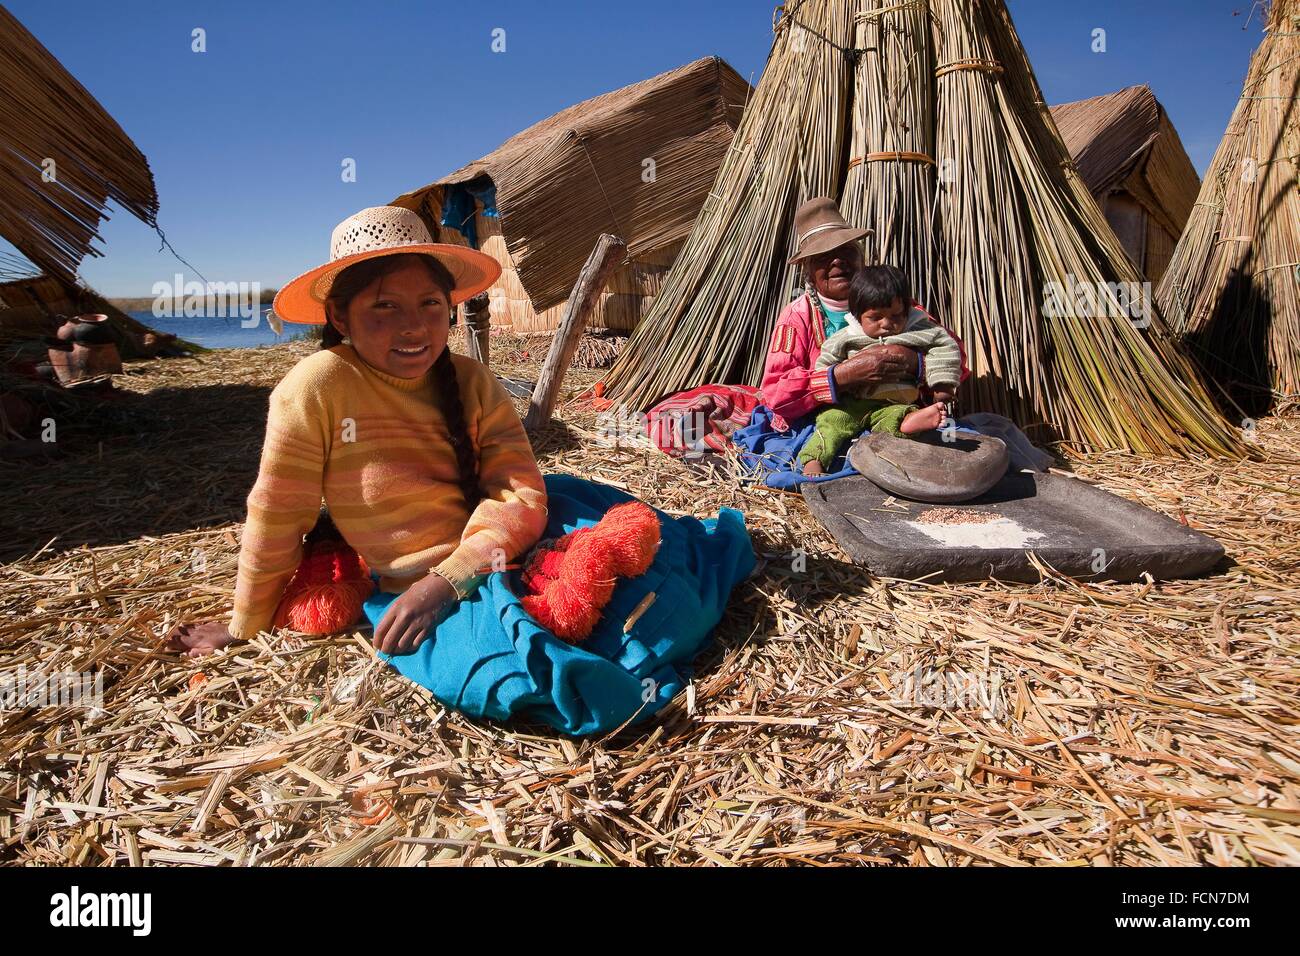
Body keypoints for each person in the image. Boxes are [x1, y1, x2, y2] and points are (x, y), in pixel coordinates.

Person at [167, 205, 548, 657]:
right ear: (340, 317)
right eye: (384, 306)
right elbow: (279, 514)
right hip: (412, 593)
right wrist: (245, 624)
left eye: (430, 303)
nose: (413, 326)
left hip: (492, 558)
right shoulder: (316, 387)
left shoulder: (474, 381)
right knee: (528, 670)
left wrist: (445, 584)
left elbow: (520, 494)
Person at [759, 197, 940, 430]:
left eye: (846, 251)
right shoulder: (797, 317)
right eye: (823, 256)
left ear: (861, 258)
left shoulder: (894, 303)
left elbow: (955, 355)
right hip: (828, 422)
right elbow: (776, 393)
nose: (837, 261)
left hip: (899, 415)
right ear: (809, 271)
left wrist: (914, 362)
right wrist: (843, 376)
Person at [799, 265, 961, 475]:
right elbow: (824, 366)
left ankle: (911, 423)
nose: (887, 324)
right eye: (876, 318)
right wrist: (842, 377)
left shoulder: (922, 330)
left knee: (899, 417)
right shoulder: (846, 337)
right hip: (853, 404)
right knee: (831, 422)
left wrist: (942, 383)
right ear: (857, 315)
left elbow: (946, 348)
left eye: (896, 316)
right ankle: (814, 461)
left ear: (906, 309)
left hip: (896, 403)